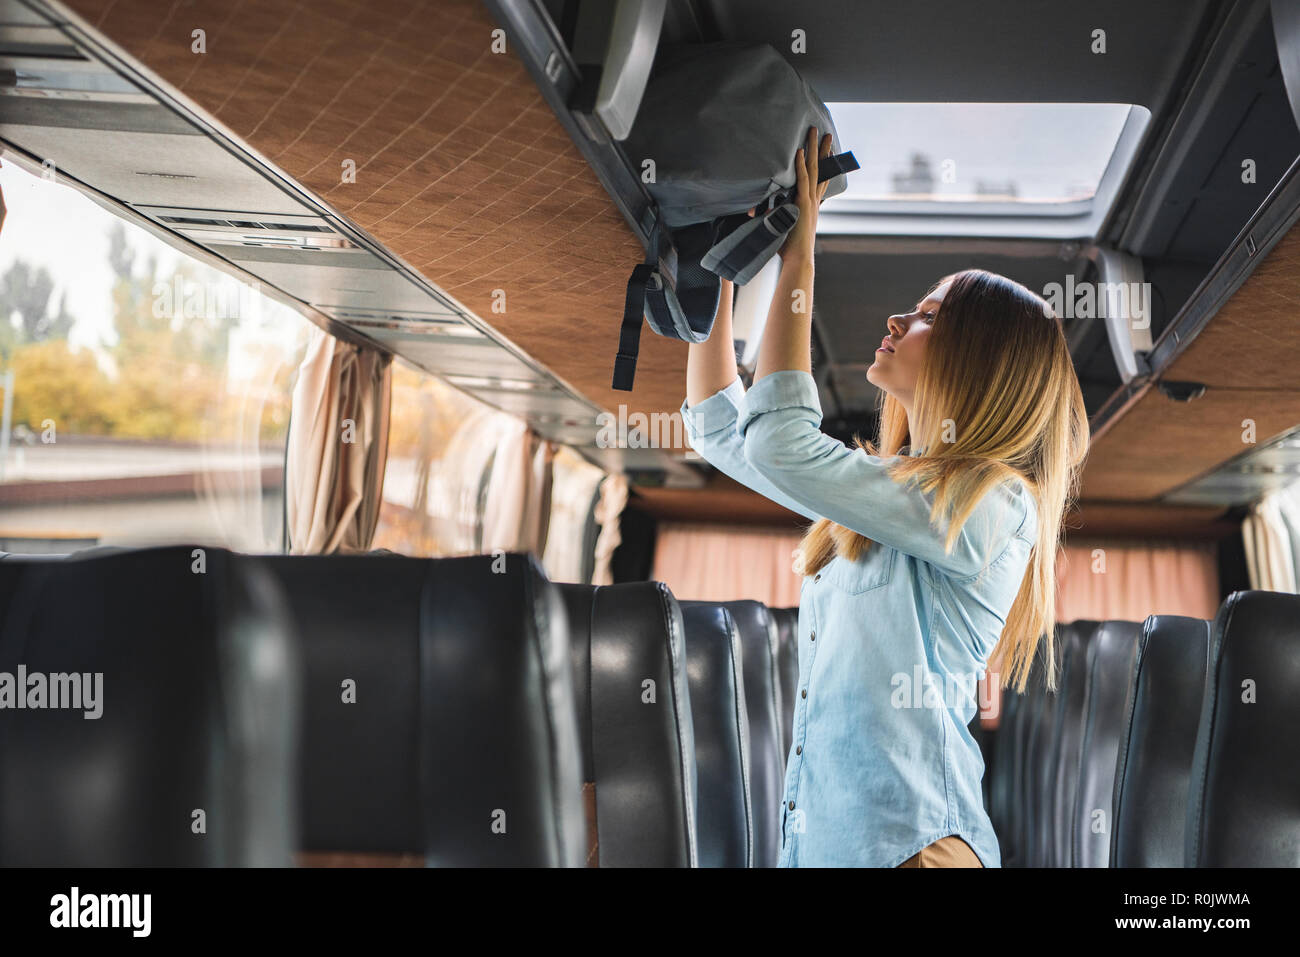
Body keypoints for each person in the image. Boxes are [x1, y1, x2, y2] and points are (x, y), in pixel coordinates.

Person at [681, 127, 1089, 867]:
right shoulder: (885, 491)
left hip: (915, 851)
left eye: (929, 315)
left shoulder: (996, 505)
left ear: (983, 358)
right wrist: (719, 274)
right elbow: (720, 428)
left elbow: (778, 440)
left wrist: (800, 251)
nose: (898, 321)